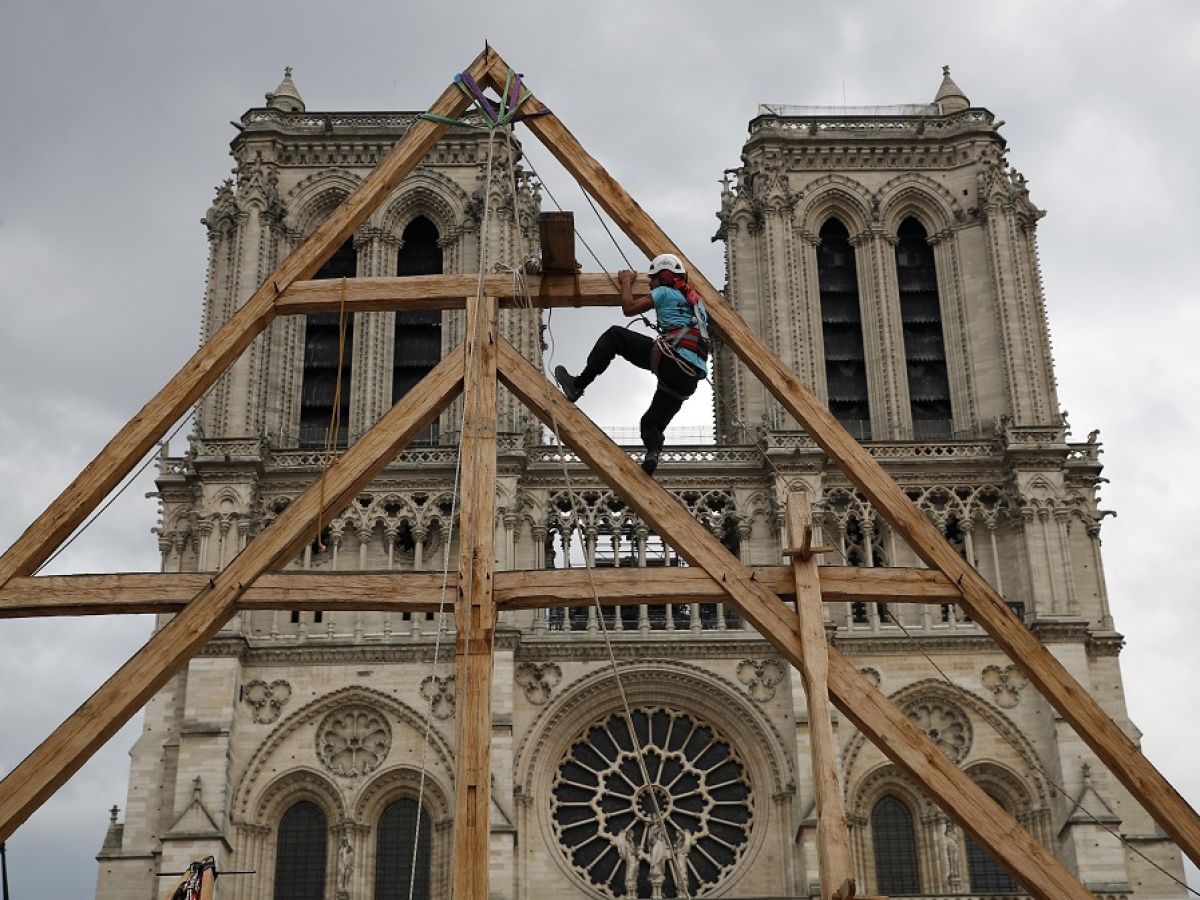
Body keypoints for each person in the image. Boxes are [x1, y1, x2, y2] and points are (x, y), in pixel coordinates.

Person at [554, 253, 709, 475]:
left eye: (651, 279)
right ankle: (653, 454)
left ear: (662, 278)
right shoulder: (698, 305)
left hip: (671, 359)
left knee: (615, 336)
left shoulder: (664, 292)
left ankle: (577, 385)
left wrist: (626, 281)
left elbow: (629, 308)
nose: (649, 283)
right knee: (651, 423)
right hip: (689, 379)